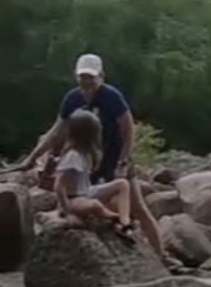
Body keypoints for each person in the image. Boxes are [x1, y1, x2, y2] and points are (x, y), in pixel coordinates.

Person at [21, 53, 169, 262]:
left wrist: (123, 161)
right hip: (88, 162)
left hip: (116, 156)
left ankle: (161, 256)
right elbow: (56, 131)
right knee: (89, 204)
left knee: (139, 207)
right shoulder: (72, 99)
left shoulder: (111, 97)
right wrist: (32, 158)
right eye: (82, 76)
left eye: (90, 76)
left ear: (101, 76)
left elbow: (128, 130)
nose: (86, 81)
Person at [54, 110, 136, 239]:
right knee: (95, 205)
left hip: (86, 192)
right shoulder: (73, 155)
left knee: (122, 184)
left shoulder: (84, 154)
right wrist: (67, 211)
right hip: (73, 199)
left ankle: (124, 222)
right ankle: (112, 216)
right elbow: (59, 186)